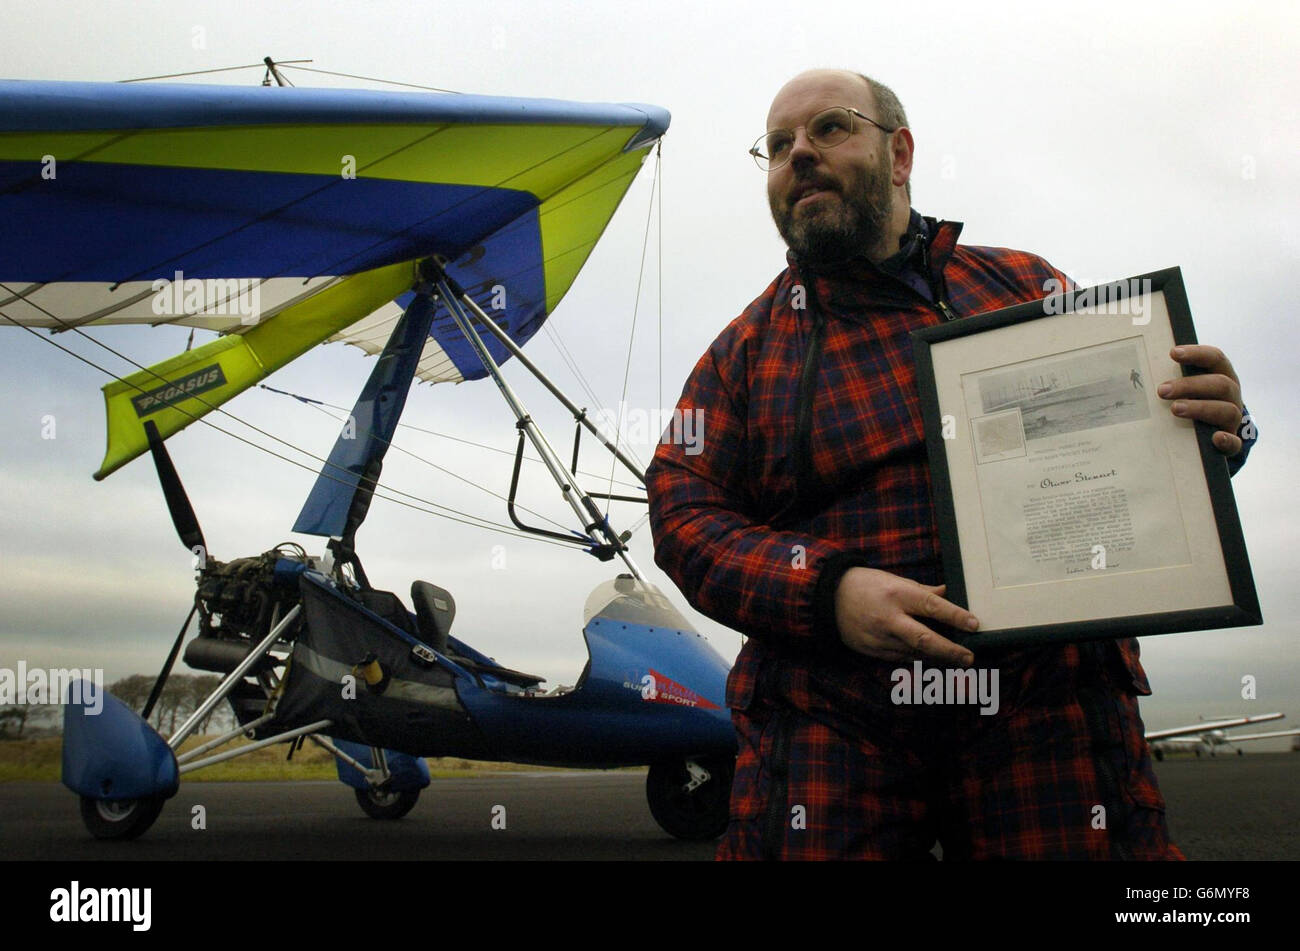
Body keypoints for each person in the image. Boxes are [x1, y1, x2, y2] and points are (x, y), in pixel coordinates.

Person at [645, 69, 1256, 860]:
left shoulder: (1026, 288)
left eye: (829, 128)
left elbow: (1130, 450)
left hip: (1046, 704)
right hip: (830, 713)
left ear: (899, 153)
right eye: (777, 145)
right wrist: (826, 591)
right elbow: (681, 511)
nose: (798, 154)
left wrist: (1216, 428)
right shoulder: (743, 352)